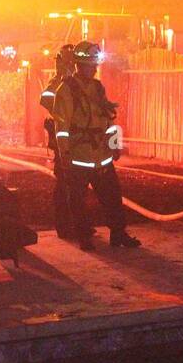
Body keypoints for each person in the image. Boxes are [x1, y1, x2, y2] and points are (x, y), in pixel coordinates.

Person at [50, 40, 141, 250]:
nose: (93, 69)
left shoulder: (98, 87)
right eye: (90, 65)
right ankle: (84, 237)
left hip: (101, 154)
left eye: (94, 65)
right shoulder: (66, 90)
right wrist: (64, 153)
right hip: (79, 155)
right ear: (79, 65)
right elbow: (61, 125)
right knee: (78, 201)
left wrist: (114, 144)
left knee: (112, 197)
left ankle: (118, 234)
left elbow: (108, 119)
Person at [39, 44, 76, 239]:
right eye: (68, 61)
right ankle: (64, 226)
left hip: (80, 141)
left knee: (78, 184)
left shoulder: (81, 82)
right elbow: (45, 100)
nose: (72, 65)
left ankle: (79, 223)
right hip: (63, 141)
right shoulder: (56, 83)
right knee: (64, 184)